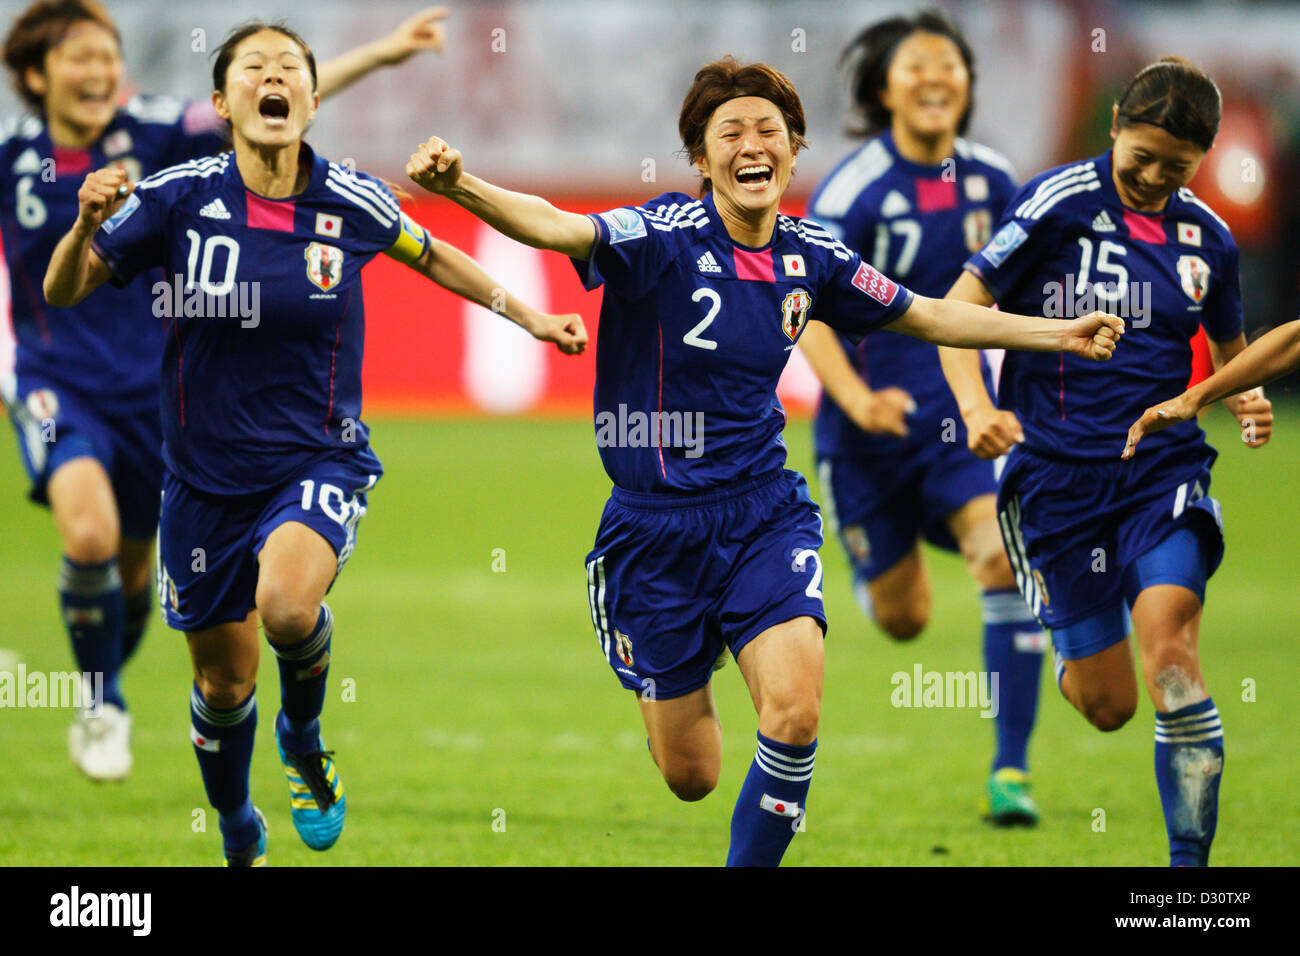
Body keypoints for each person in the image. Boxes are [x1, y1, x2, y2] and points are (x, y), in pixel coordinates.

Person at [405, 56, 1122, 866]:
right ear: (702, 159)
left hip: (761, 516)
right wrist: (464, 186)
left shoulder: (812, 256)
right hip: (653, 533)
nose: (753, 145)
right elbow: (559, 226)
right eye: (731, 133)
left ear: (792, 149)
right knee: (692, 774)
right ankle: (688, 654)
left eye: (769, 131)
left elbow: (926, 316)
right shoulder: (660, 237)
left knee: (793, 713)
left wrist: (1055, 331)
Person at [44, 21, 586, 865]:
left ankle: (302, 738)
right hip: (200, 480)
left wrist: (534, 318)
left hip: (316, 458)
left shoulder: (349, 198)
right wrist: (82, 226)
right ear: (223, 103)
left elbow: (437, 256)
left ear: (311, 97)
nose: (274, 78)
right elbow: (65, 290)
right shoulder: (177, 196)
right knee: (222, 685)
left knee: (288, 607)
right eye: (253, 68)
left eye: (289, 67)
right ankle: (235, 827)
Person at [1, 0, 455, 781]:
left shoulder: (153, 129)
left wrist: (381, 54)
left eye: (107, 55)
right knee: (89, 537)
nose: (100, 71)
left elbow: (269, 97)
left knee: (138, 575)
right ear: (37, 76)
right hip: (54, 377)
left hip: (157, 387)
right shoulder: (10, 153)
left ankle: (117, 687)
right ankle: (101, 701)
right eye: (80, 57)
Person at [939, 56, 1274, 866]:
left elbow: (1229, 351)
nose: (1155, 177)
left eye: (1177, 167)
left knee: (1172, 655)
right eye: (1142, 158)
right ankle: (1078, 648)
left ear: (1203, 159)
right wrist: (979, 409)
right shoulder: (1057, 204)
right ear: (1116, 125)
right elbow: (957, 309)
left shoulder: (1209, 239)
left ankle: (1186, 880)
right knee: (1108, 705)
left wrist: (1241, 395)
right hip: (1054, 481)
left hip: (1160, 469)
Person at [799, 10, 1046, 824]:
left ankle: (1010, 772)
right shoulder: (853, 188)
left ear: (969, 84)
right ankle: (902, 548)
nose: (936, 78)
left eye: (950, 65)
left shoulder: (994, 183)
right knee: (905, 621)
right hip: (862, 429)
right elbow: (811, 309)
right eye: (917, 67)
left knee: (1003, 562)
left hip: (962, 413)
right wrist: (858, 398)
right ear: (883, 87)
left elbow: (1028, 297)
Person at [1124, 318, 1294, 455]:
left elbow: (1295, 342)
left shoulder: (1215, 275)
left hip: (1170, 466)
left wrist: (1191, 400)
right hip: (1103, 450)